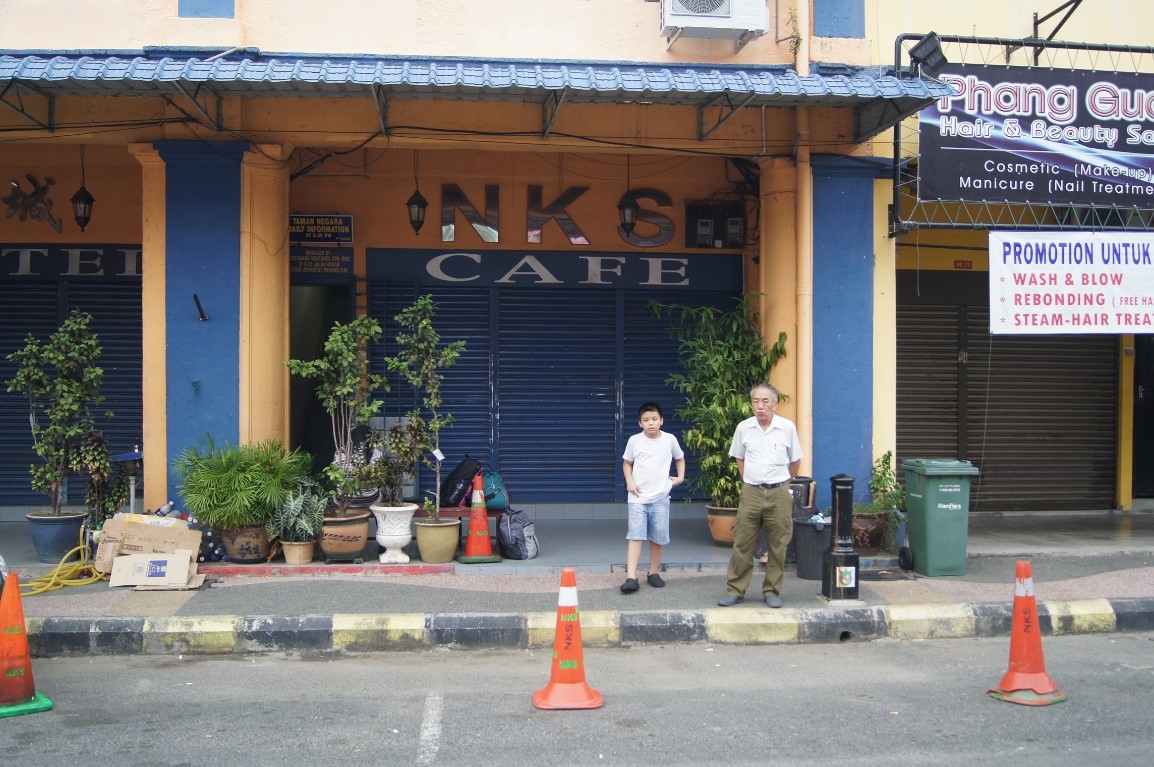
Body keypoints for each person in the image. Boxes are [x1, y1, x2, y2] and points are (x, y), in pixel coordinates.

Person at [718, 383, 803, 608]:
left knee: (778, 544)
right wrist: (749, 478)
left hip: (779, 492)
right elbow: (739, 457)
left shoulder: (787, 427)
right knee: (742, 542)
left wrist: (785, 481)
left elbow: (795, 461)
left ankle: (772, 591)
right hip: (752, 492)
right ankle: (735, 590)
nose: (760, 406)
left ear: (774, 404)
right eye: (756, 401)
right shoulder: (744, 428)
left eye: (765, 401)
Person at [620, 402, 685, 594]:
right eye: (646, 420)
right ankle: (631, 577)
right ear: (640, 423)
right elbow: (627, 463)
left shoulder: (670, 439)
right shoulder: (634, 440)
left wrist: (680, 478)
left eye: (654, 419)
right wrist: (629, 482)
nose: (651, 423)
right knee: (635, 536)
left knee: (657, 537)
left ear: (661, 420)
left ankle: (653, 573)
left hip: (661, 497)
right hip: (637, 498)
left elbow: (679, 458)